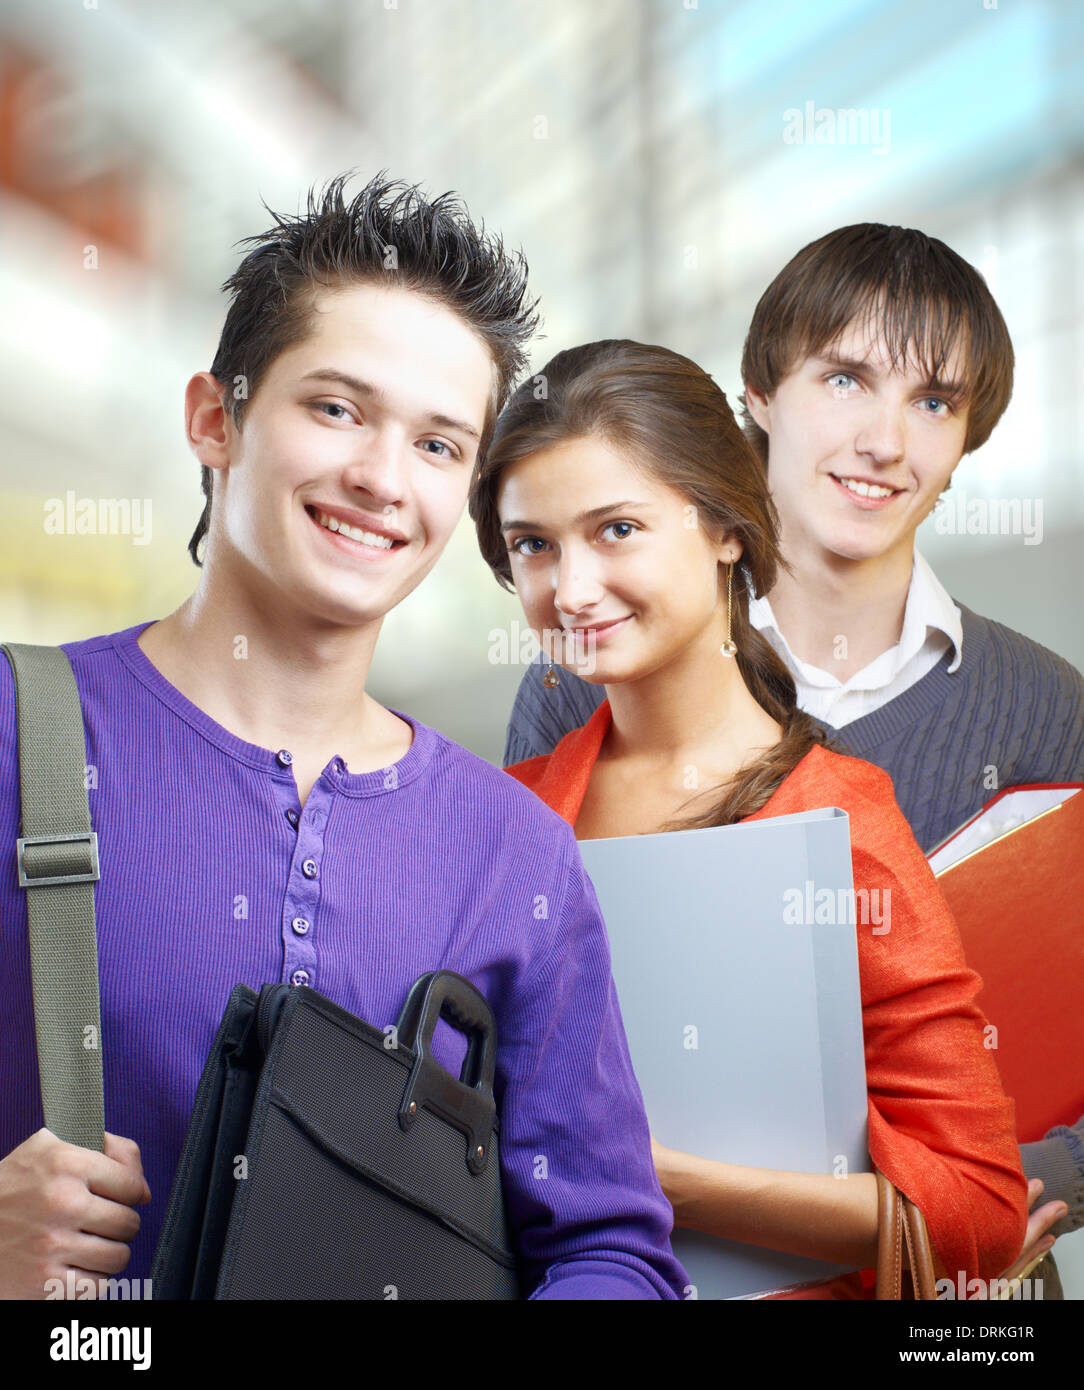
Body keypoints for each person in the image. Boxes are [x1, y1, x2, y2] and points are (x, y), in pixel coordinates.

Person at [0, 173, 689, 1301]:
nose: (379, 478)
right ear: (215, 418)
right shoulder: (20, 737)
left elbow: (609, 1246)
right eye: (335, 409)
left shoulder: (515, 852)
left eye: (436, 445)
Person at [498, 226, 1084, 1284]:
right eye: (847, 378)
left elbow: (985, 1177)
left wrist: (1032, 1182)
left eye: (934, 402)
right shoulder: (575, 687)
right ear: (758, 395)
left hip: (944, 1287)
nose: (884, 442)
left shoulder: (1044, 707)